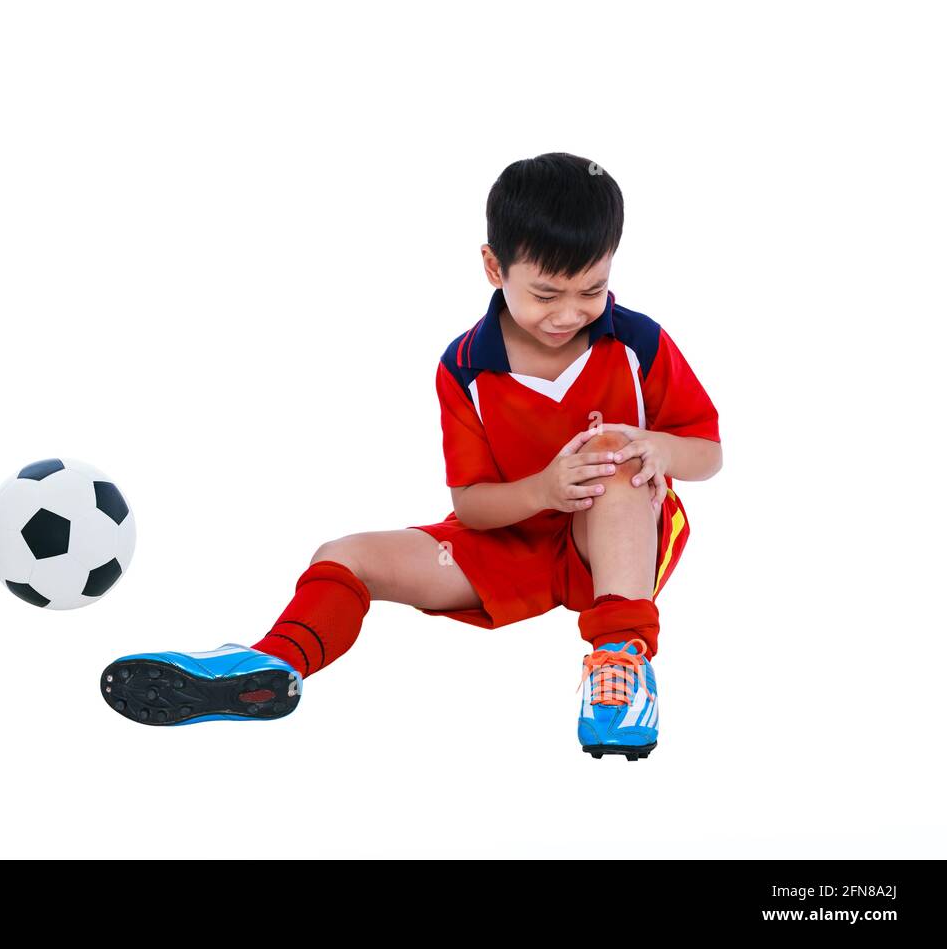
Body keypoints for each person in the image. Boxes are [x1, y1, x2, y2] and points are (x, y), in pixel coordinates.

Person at [99, 152, 723, 759]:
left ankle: (621, 666)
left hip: (615, 546)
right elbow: (473, 509)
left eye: (593, 288)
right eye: (545, 293)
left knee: (613, 453)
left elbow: (708, 452)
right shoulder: (464, 367)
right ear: (492, 267)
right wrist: (543, 490)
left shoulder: (638, 342)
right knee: (344, 554)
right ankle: (271, 663)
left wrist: (660, 447)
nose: (569, 313)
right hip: (510, 542)